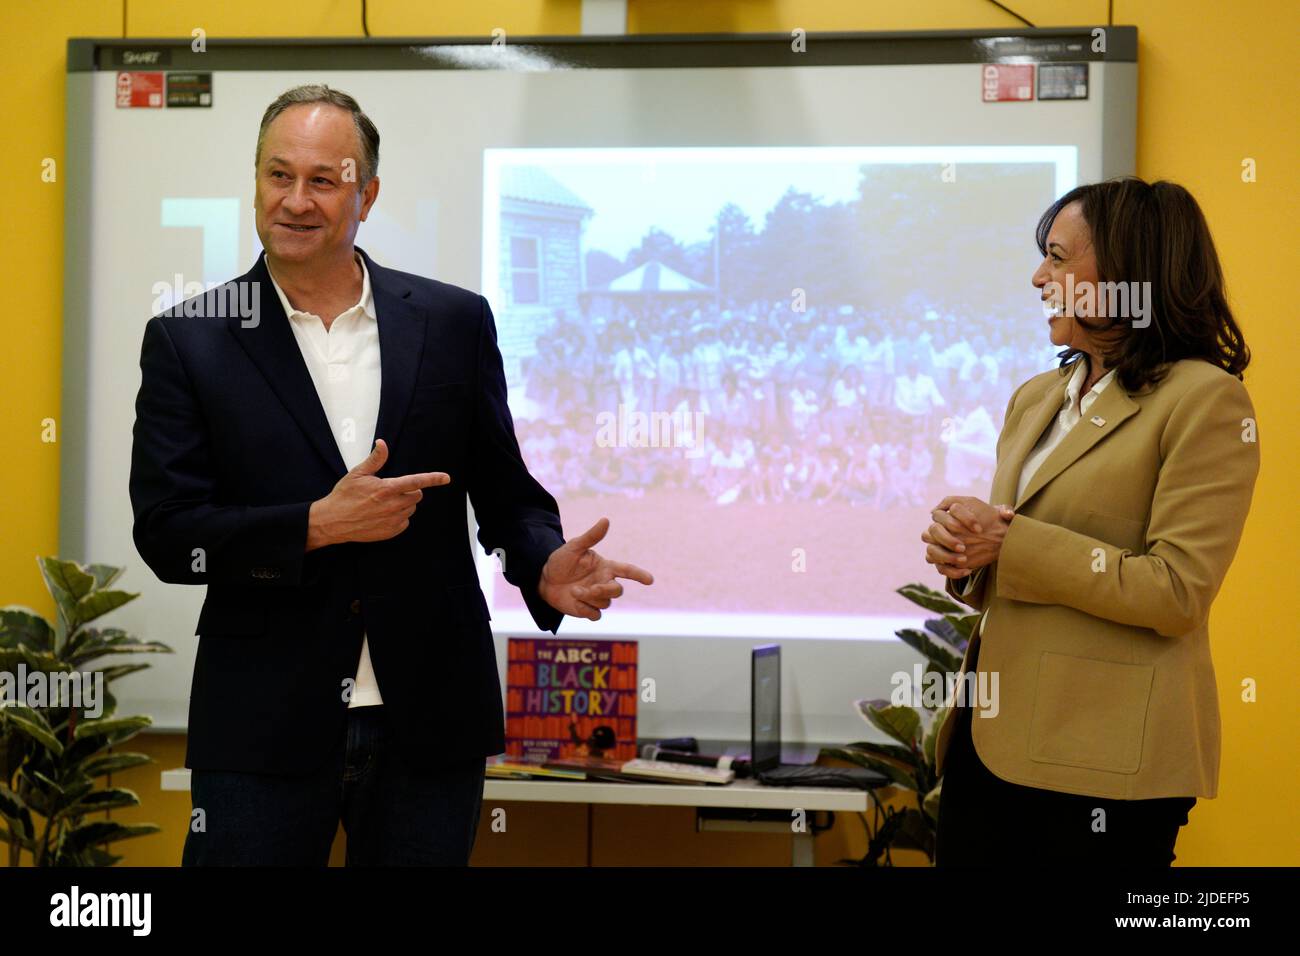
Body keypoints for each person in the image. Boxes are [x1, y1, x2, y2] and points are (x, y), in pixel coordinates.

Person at [129, 85, 653, 866]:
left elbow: (506, 496)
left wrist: (541, 564)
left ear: (366, 195)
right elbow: (170, 535)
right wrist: (315, 526)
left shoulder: (452, 323)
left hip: (430, 719)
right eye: (278, 176)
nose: (296, 201)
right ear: (255, 183)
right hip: (260, 725)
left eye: (324, 180)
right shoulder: (189, 340)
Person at [922, 177, 1258, 866]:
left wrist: (1010, 542)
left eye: (1057, 256)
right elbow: (1014, 564)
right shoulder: (1036, 397)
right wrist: (967, 554)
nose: (1038, 276)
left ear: (1132, 271)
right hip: (989, 746)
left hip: (1104, 764)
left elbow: (1176, 591)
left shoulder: (1207, 401)